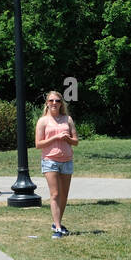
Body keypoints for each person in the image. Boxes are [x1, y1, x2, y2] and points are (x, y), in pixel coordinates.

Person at [35, 91, 79, 239]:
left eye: (57, 101)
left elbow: (76, 141)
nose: (54, 103)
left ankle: (57, 222)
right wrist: (55, 137)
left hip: (67, 160)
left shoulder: (68, 119)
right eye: (51, 100)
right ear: (47, 103)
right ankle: (58, 229)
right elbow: (38, 144)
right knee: (55, 194)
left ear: (61, 103)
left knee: (64, 196)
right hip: (50, 160)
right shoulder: (43, 121)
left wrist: (68, 139)